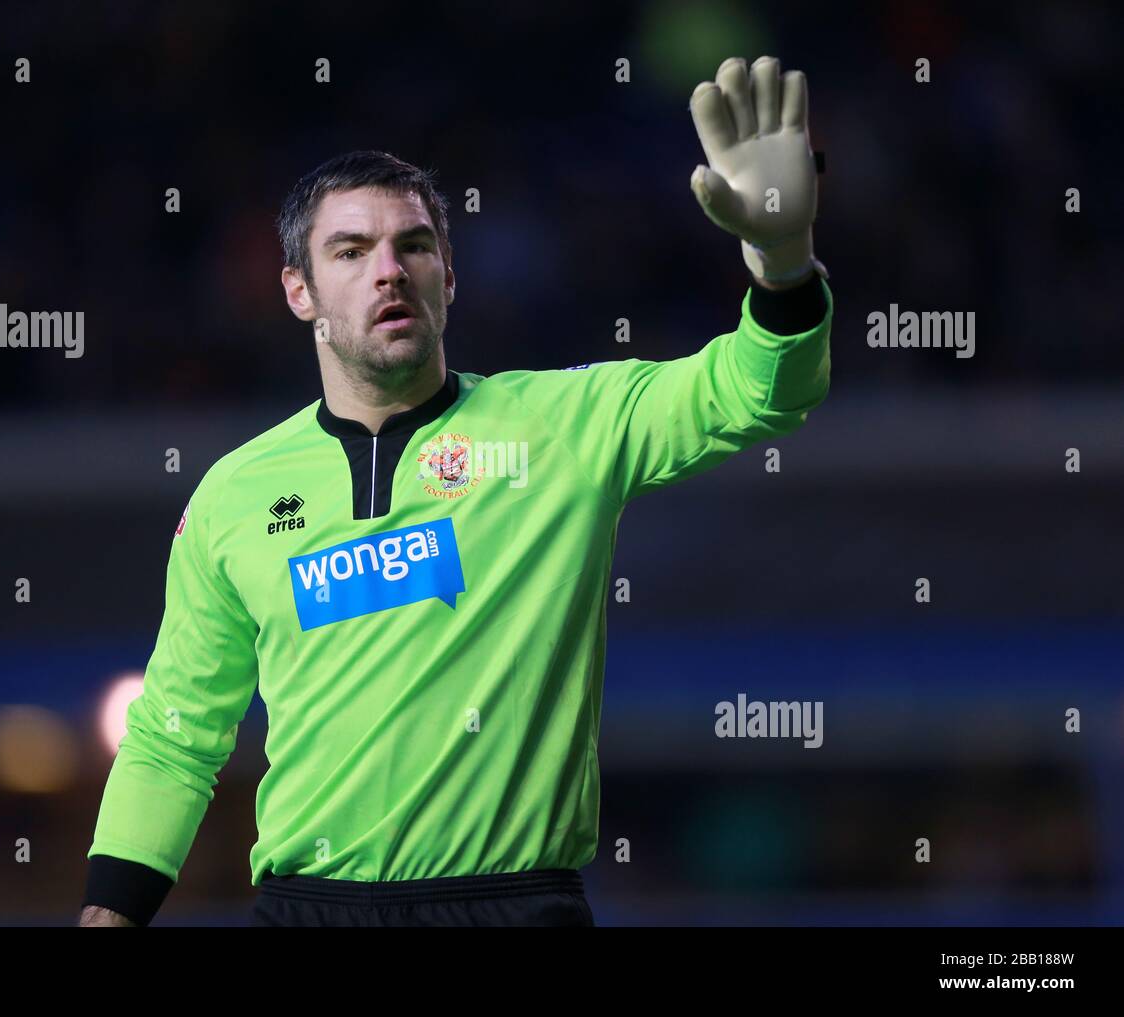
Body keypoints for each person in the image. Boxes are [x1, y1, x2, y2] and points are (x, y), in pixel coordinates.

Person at [80, 55, 833, 927]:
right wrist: (110, 916)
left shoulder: (566, 426)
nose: (388, 270)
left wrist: (782, 257)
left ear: (450, 276)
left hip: (513, 907)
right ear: (299, 291)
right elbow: (175, 737)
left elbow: (759, 392)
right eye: (350, 251)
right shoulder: (232, 496)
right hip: (306, 913)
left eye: (414, 246)